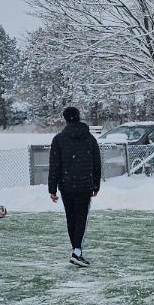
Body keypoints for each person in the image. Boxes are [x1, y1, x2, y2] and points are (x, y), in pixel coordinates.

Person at [48, 106, 102, 267]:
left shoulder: (59, 139)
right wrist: (96, 185)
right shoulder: (90, 138)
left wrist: (52, 189)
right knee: (81, 218)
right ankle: (77, 251)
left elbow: (54, 165)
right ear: (79, 117)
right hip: (85, 184)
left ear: (65, 119)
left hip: (66, 185)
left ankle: (76, 250)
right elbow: (97, 163)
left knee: (71, 218)